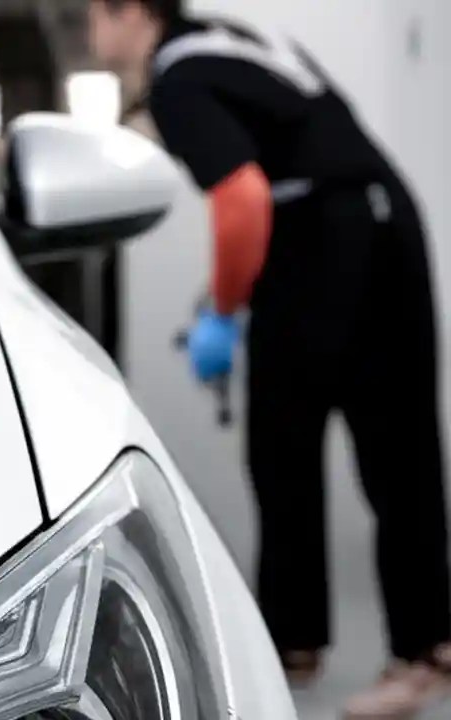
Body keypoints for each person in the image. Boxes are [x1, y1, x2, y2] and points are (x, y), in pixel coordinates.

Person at [85, 0, 451, 716]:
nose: (88, 33)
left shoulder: (177, 79)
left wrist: (222, 312)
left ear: (126, 12)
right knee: (289, 442)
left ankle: (425, 650)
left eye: (90, 17)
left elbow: (243, 199)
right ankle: (295, 642)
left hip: (337, 233)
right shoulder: (224, 39)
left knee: (387, 449)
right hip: (360, 223)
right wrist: (228, 291)